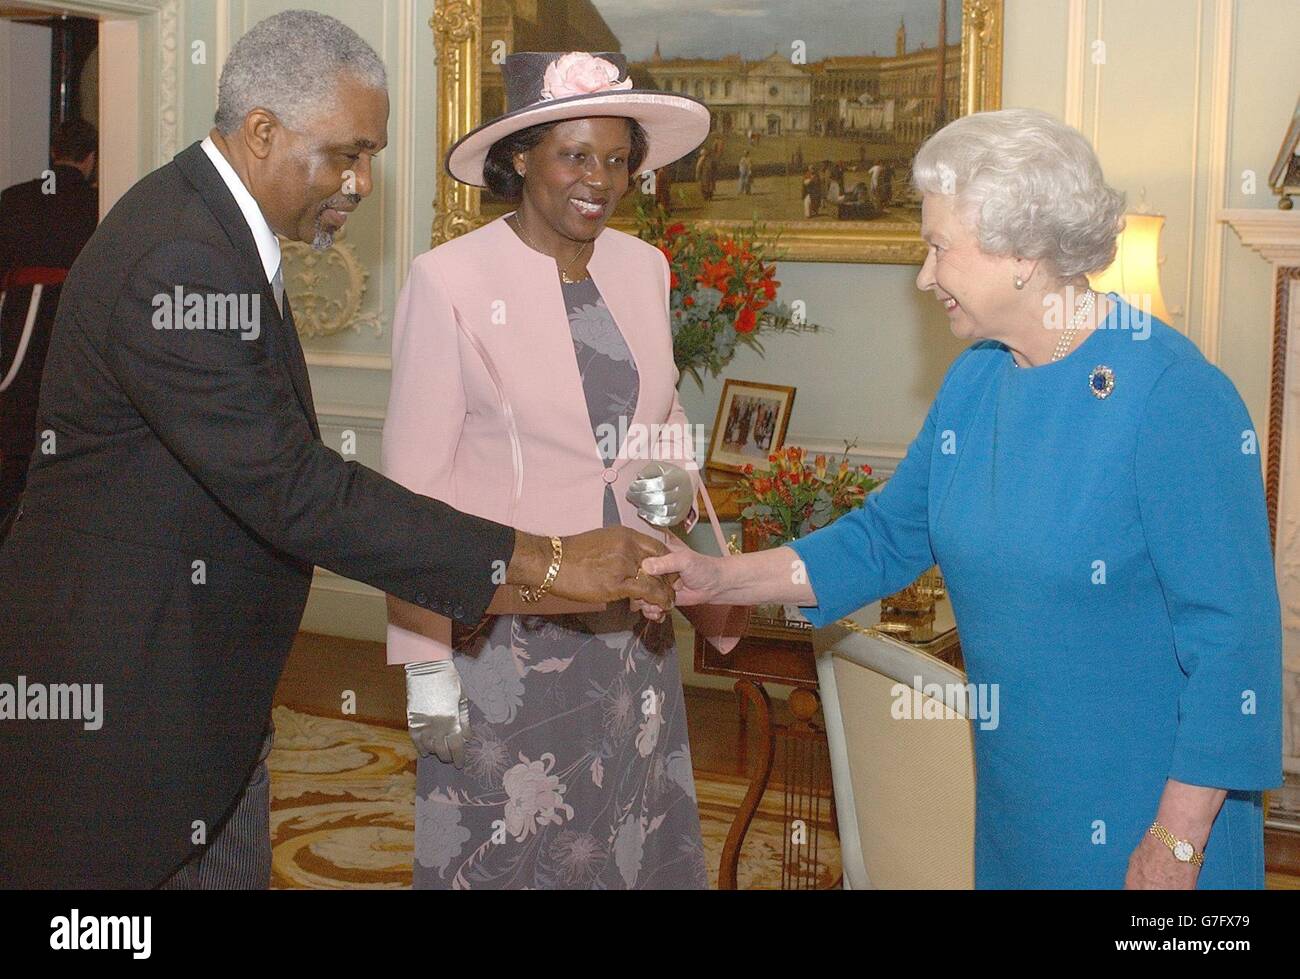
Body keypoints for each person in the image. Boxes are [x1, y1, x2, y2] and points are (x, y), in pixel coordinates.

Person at [0, 14, 673, 890]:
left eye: (372, 155)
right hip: (125, 692)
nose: (361, 181)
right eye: (348, 154)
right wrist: (547, 559)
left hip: (199, 687)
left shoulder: (215, 231)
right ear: (263, 131)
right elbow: (299, 490)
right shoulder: (179, 255)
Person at [643, 108, 1283, 889]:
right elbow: (883, 538)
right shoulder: (978, 379)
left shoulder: (1175, 397)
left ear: (1022, 252)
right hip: (1021, 808)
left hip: (1157, 821)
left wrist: (1177, 841)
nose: (923, 274)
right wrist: (723, 578)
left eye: (939, 247)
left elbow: (1236, 644)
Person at [386, 50, 744, 890]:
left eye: (618, 159)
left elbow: (664, 430)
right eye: (575, 155)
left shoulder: (643, 267)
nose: (602, 180)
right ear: (519, 158)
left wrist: (705, 575)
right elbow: (411, 493)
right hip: (511, 632)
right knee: (517, 853)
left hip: (632, 636)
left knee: (623, 841)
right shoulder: (449, 282)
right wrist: (425, 660)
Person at [0, 118, 99, 534]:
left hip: (14, 330)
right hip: (71, 331)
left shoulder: (15, 198)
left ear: (54, 152)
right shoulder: (99, 205)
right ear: (91, 159)